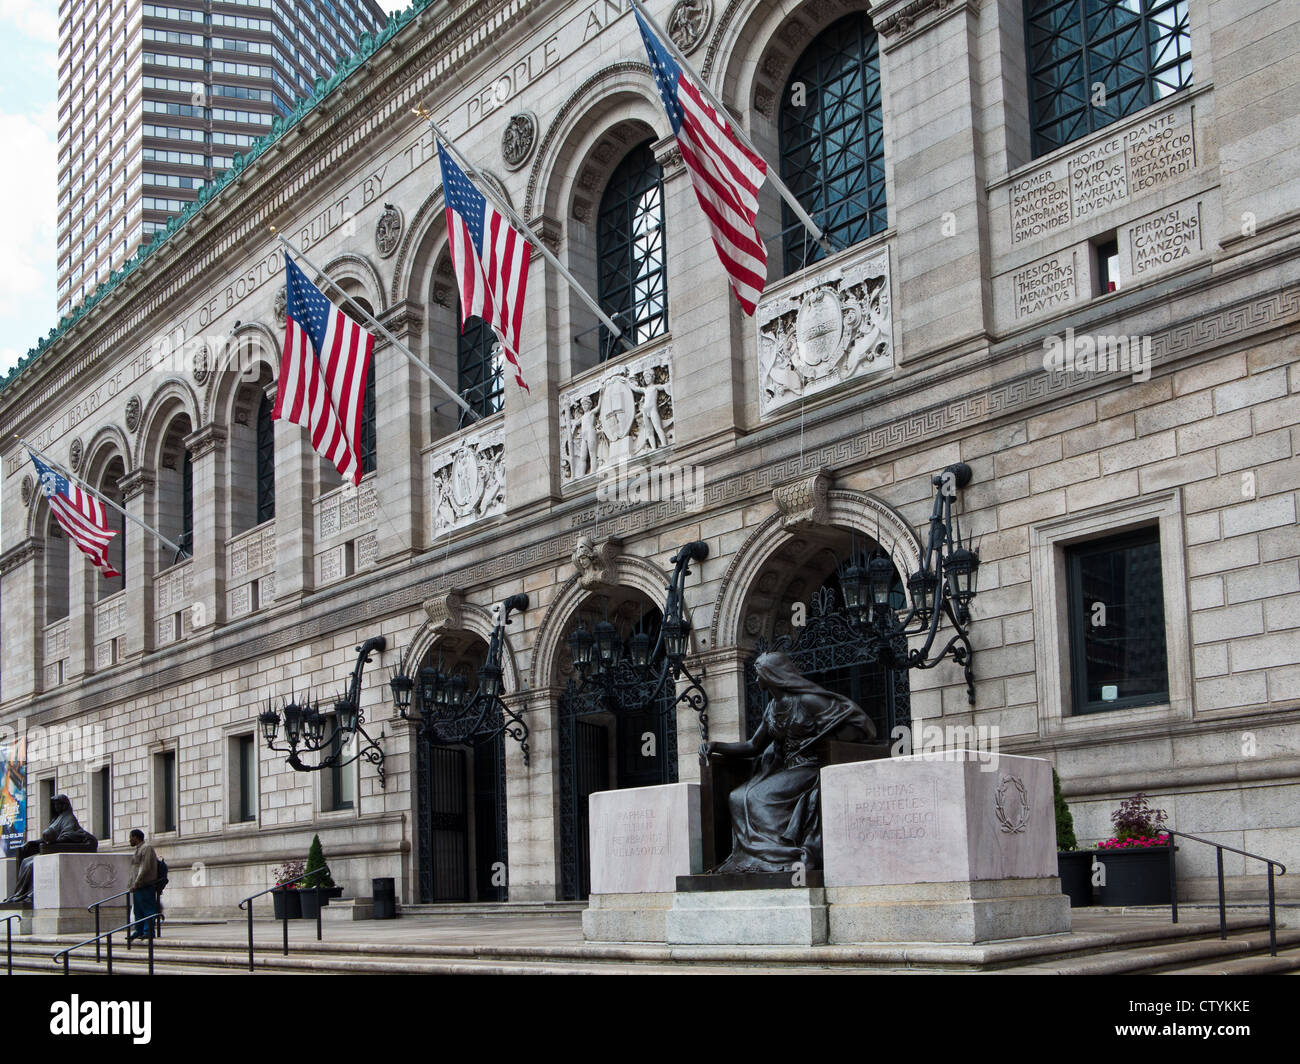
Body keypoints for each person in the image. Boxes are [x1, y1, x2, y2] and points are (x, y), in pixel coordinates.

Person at [700, 651, 874, 873]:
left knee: (756, 797)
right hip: (787, 769)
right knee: (735, 796)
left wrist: (828, 742)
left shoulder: (809, 701)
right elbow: (753, 746)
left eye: (758, 674)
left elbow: (860, 727)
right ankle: (756, 856)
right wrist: (716, 746)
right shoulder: (772, 708)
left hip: (811, 767)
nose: (756, 679)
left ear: (771, 675)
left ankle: (780, 854)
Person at [3, 794, 98, 904]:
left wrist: (55, 842)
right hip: (52, 848)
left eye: (58, 804)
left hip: (61, 848)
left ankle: (27, 894)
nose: (56, 807)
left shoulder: (69, 818)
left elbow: (69, 835)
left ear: (64, 805)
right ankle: (19, 893)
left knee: (31, 864)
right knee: (25, 861)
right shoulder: (57, 819)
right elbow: (48, 837)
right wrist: (34, 842)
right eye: (55, 805)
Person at [127, 829, 160, 940]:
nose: (129, 840)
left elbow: (145, 867)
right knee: (138, 910)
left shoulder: (147, 848)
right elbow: (134, 869)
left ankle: (148, 931)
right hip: (137, 886)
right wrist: (131, 884)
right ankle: (139, 930)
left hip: (145, 885)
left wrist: (136, 882)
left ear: (136, 837)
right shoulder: (138, 849)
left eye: (130, 837)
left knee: (147, 909)